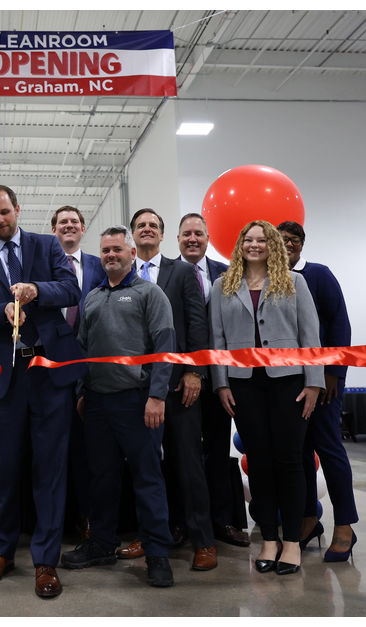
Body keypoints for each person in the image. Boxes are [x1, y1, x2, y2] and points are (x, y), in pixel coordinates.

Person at [0, 185, 84, 599]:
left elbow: (71, 289)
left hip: (49, 375)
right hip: (3, 380)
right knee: (3, 471)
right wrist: (3, 310)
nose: (0, 220)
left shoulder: (46, 246)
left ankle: (45, 560)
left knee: (50, 471)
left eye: (5, 212)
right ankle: (1, 552)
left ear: (18, 209)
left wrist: (36, 291)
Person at [61, 226, 176, 588]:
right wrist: (82, 391)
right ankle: (102, 543)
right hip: (96, 402)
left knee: (147, 478)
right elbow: (82, 349)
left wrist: (157, 396)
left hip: (137, 402)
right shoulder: (92, 298)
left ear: (130, 253)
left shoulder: (150, 293)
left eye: (117, 250)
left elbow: (165, 347)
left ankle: (157, 554)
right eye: (106, 251)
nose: (111, 255)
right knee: (102, 479)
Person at [209, 220, 323, 576]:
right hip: (243, 384)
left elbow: (311, 335)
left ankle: (291, 542)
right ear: (239, 244)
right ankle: (269, 540)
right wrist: (221, 384)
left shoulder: (294, 282)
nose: (254, 245)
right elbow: (217, 341)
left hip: (289, 382)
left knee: (289, 460)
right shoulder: (222, 286)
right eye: (248, 239)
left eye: (261, 240)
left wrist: (315, 383)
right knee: (258, 462)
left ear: (272, 245)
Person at [118, 209, 218, 572]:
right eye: (140, 226)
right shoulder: (122, 276)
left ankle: (203, 541)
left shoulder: (182, 272)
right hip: (134, 386)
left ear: (163, 236)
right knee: (146, 467)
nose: (147, 230)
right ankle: (151, 535)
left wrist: (194, 371)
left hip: (178, 385)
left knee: (188, 462)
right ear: (132, 236)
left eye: (153, 226)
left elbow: (196, 324)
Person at [275, 221, 359, 562]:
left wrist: (334, 373)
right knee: (298, 453)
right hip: (288, 382)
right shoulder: (270, 281)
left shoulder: (319, 275)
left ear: (302, 245)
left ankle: (345, 525)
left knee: (328, 448)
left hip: (324, 382)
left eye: (294, 240)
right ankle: (309, 518)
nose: (289, 244)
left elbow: (339, 323)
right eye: (282, 240)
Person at [176, 213, 251, 549]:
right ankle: (180, 523)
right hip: (181, 380)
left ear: (208, 237)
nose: (192, 239)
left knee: (218, 451)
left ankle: (222, 520)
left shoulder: (229, 273)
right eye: (186, 234)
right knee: (181, 454)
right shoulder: (167, 273)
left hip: (221, 377)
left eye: (198, 233)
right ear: (177, 239)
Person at [50, 206, 106, 542]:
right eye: (62, 222)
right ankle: (54, 520)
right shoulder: (42, 267)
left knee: (88, 450)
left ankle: (87, 516)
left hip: (92, 369)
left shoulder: (101, 267)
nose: (68, 226)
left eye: (74, 222)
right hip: (50, 368)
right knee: (52, 448)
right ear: (54, 230)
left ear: (83, 229)